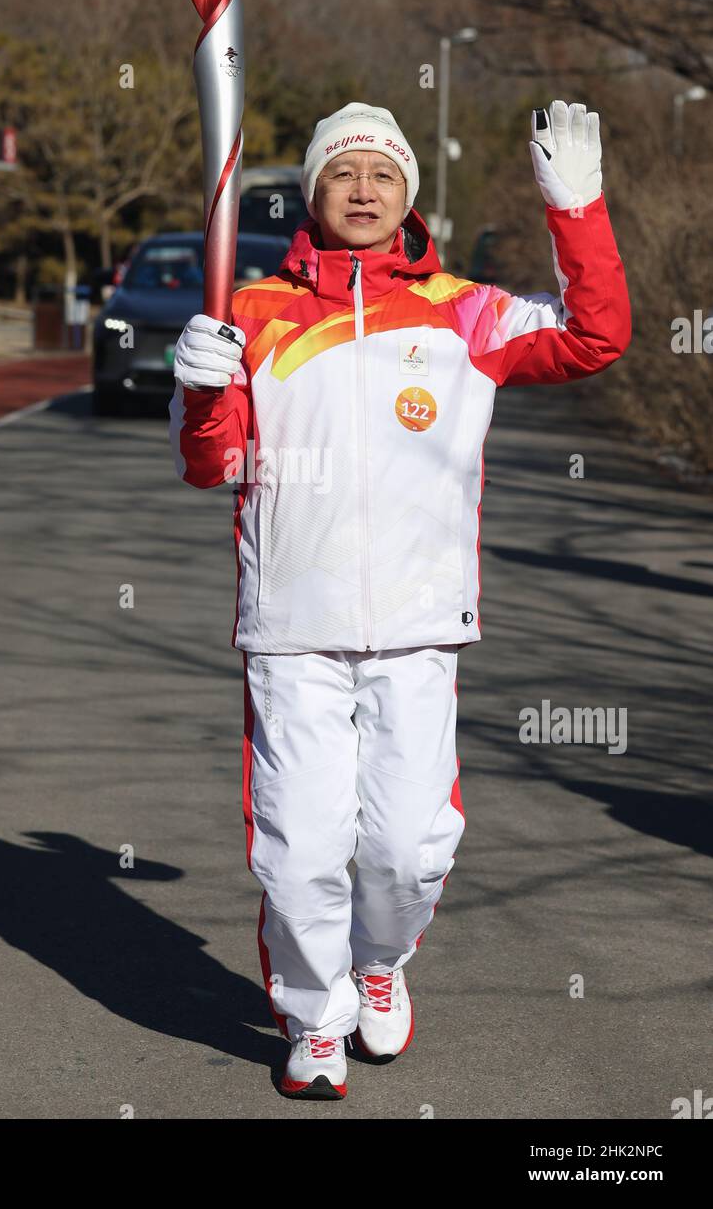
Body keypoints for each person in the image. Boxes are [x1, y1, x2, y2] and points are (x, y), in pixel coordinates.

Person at [168, 100, 630, 1100]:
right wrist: (202, 391)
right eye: (343, 173)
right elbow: (211, 466)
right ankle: (314, 1016)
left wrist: (578, 210)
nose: (364, 188)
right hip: (291, 629)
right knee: (299, 851)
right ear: (312, 192)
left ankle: (381, 960)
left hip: (419, 627)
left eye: (383, 172)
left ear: (408, 194)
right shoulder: (250, 309)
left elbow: (596, 339)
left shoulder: (466, 310)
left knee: (408, 847)